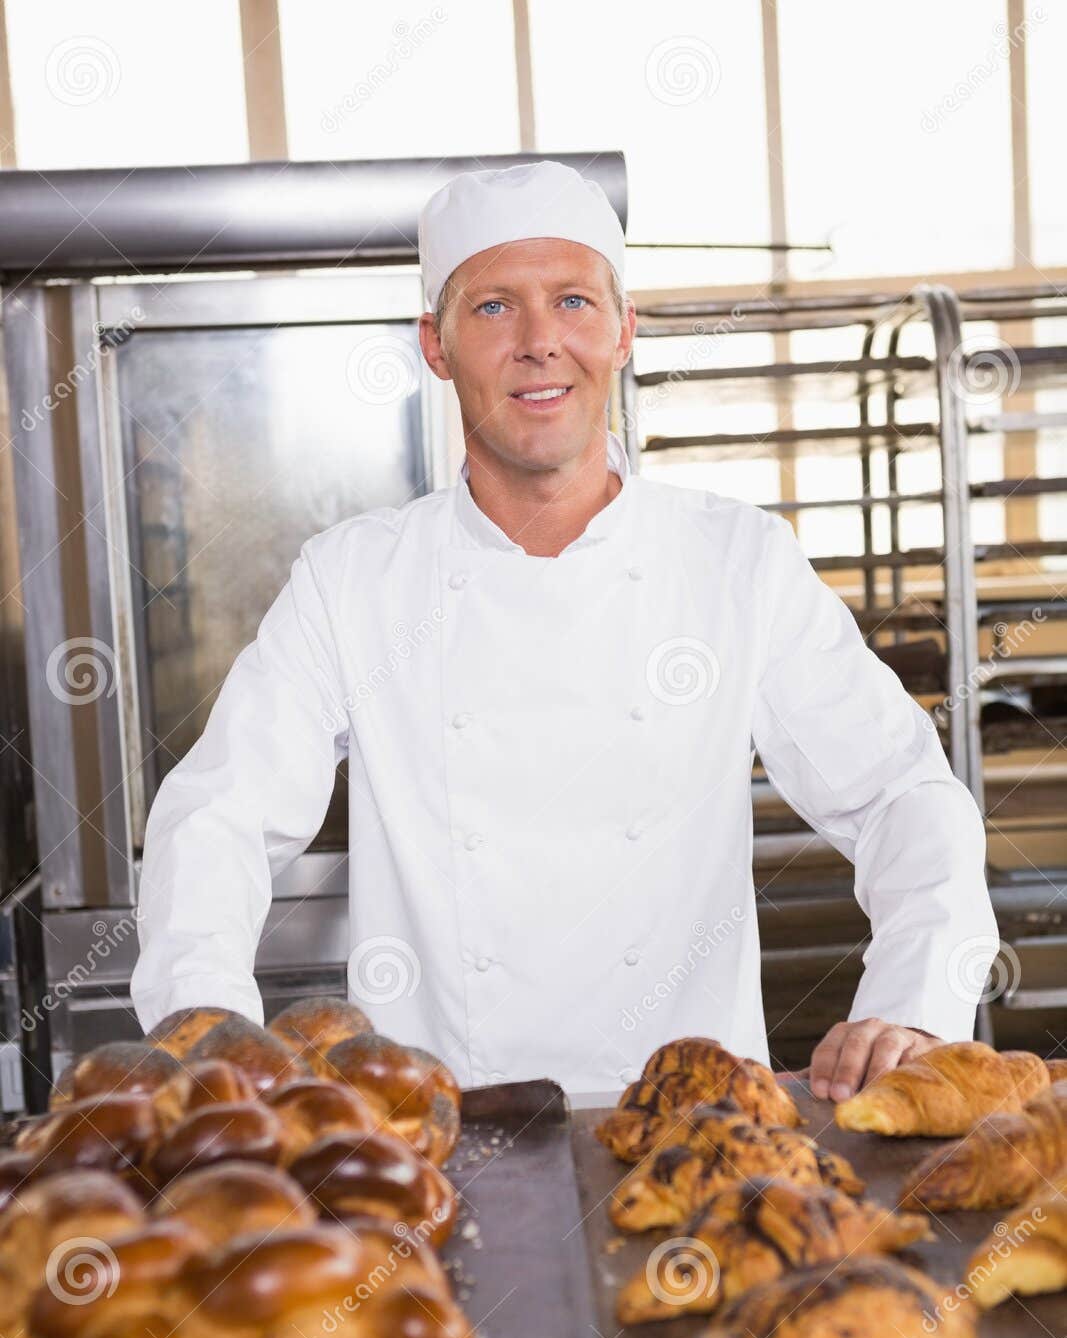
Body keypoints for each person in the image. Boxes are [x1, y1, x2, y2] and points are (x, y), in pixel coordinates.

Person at [131, 159, 999, 1101]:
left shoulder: (736, 562)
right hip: (442, 1139)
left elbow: (901, 794)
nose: (541, 343)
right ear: (435, 345)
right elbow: (217, 817)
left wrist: (914, 1002)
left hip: (699, 1131)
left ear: (622, 332)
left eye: (575, 302)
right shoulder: (353, 581)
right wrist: (204, 1022)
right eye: (495, 309)